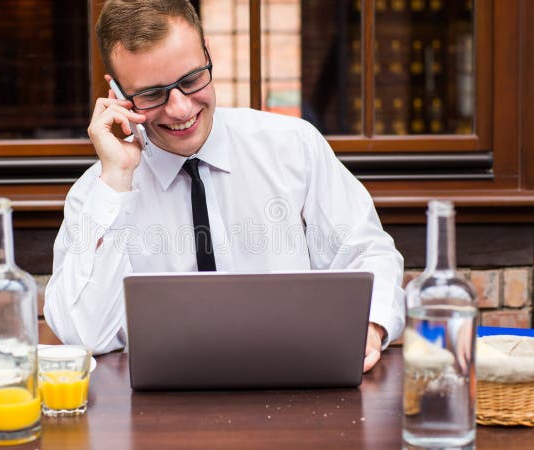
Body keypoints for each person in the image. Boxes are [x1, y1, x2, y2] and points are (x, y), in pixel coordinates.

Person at [44, 0, 404, 373]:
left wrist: (371, 326)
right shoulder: (97, 194)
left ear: (207, 54)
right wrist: (117, 181)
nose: (180, 109)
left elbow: (368, 254)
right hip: (152, 417)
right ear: (118, 93)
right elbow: (84, 337)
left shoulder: (293, 146)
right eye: (151, 94)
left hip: (293, 395)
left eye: (190, 80)